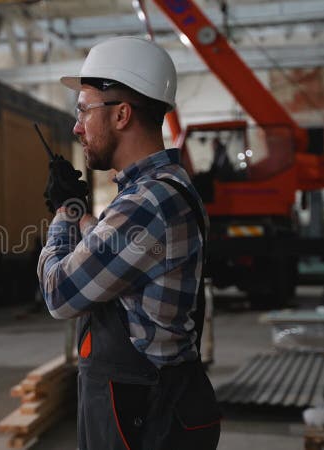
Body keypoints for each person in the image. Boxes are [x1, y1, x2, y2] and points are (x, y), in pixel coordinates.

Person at [37, 36, 221, 450]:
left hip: (139, 415)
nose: (77, 126)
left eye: (83, 110)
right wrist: (81, 213)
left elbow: (58, 293)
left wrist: (63, 214)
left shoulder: (146, 203)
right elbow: (119, 252)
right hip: (153, 406)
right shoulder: (165, 189)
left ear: (121, 114)